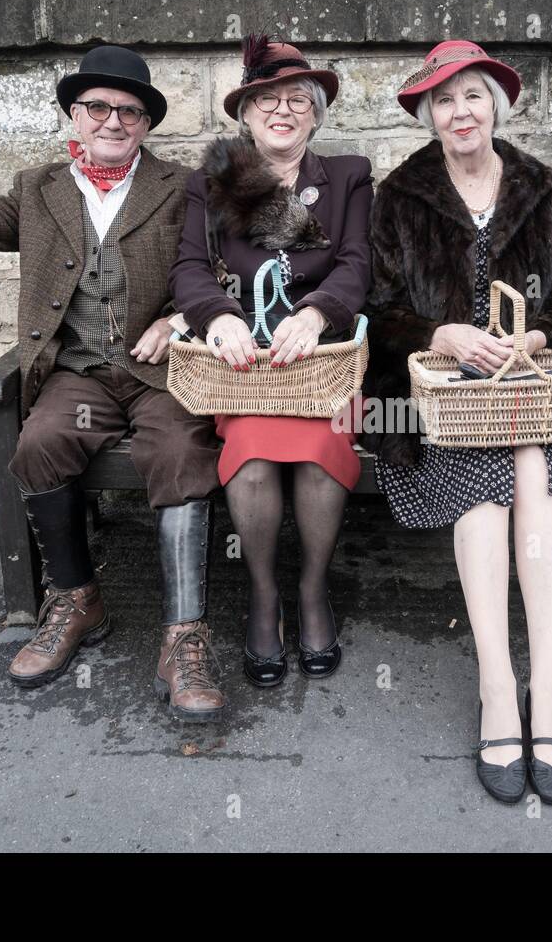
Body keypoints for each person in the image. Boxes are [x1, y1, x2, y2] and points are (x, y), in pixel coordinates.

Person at [0, 45, 227, 721]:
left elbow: (224, 271)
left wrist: (184, 318)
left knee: (182, 452)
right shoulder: (38, 188)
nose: (113, 120)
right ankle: (76, 599)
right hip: (78, 374)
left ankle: (184, 635)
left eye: (129, 111)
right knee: (39, 442)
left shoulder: (182, 187)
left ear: (146, 125)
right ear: (75, 115)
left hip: (161, 372)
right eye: (97, 106)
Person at [362, 41, 552, 805]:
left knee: (531, 462)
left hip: (528, 388)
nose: (460, 112)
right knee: (492, 483)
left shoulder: (544, 188)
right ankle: (500, 689)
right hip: (436, 401)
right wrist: (440, 333)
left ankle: (549, 694)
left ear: (497, 104)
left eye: (473, 96)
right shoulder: (401, 194)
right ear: (429, 114)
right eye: (444, 100)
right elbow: (378, 310)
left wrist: (534, 337)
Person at [169, 35, 371, 687]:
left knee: (318, 461)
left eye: (296, 100)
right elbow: (190, 270)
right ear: (246, 115)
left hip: (323, 363)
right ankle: (262, 595)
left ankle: (311, 590)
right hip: (245, 363)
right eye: (266, 101)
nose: (281, 111)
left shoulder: (346, 178)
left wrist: (318, 313)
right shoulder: (214, 183)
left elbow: (357, 264)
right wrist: (220, 317)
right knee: (252, 465)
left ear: (315, 113)